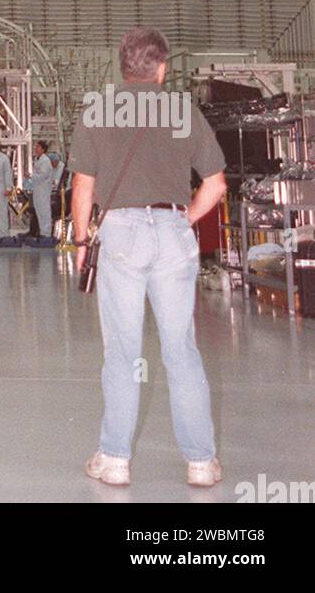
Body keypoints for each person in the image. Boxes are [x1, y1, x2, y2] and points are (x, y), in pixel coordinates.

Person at [70, 25, 227, 489]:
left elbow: (83, 185)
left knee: (122, 352)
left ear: (123, 67)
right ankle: (201, 462)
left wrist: (83, 243)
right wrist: (185, 221)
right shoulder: (183, 109)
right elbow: (216, 184)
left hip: (119, 234)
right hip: (173, 232)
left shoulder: (98, 110)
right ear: (161, 68)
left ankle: (115, 458)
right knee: (182, 350)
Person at [30, 140, 56, 238]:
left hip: (43, 190)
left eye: (38, 147)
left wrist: (31, 176)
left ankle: (46, 233)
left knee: (44, 211)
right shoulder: (38, 159)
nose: (35, 149)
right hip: (37, 190)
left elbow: (43, 175)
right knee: (39, 211)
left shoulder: (45, 160)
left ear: (43, 149)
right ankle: (42, 232)